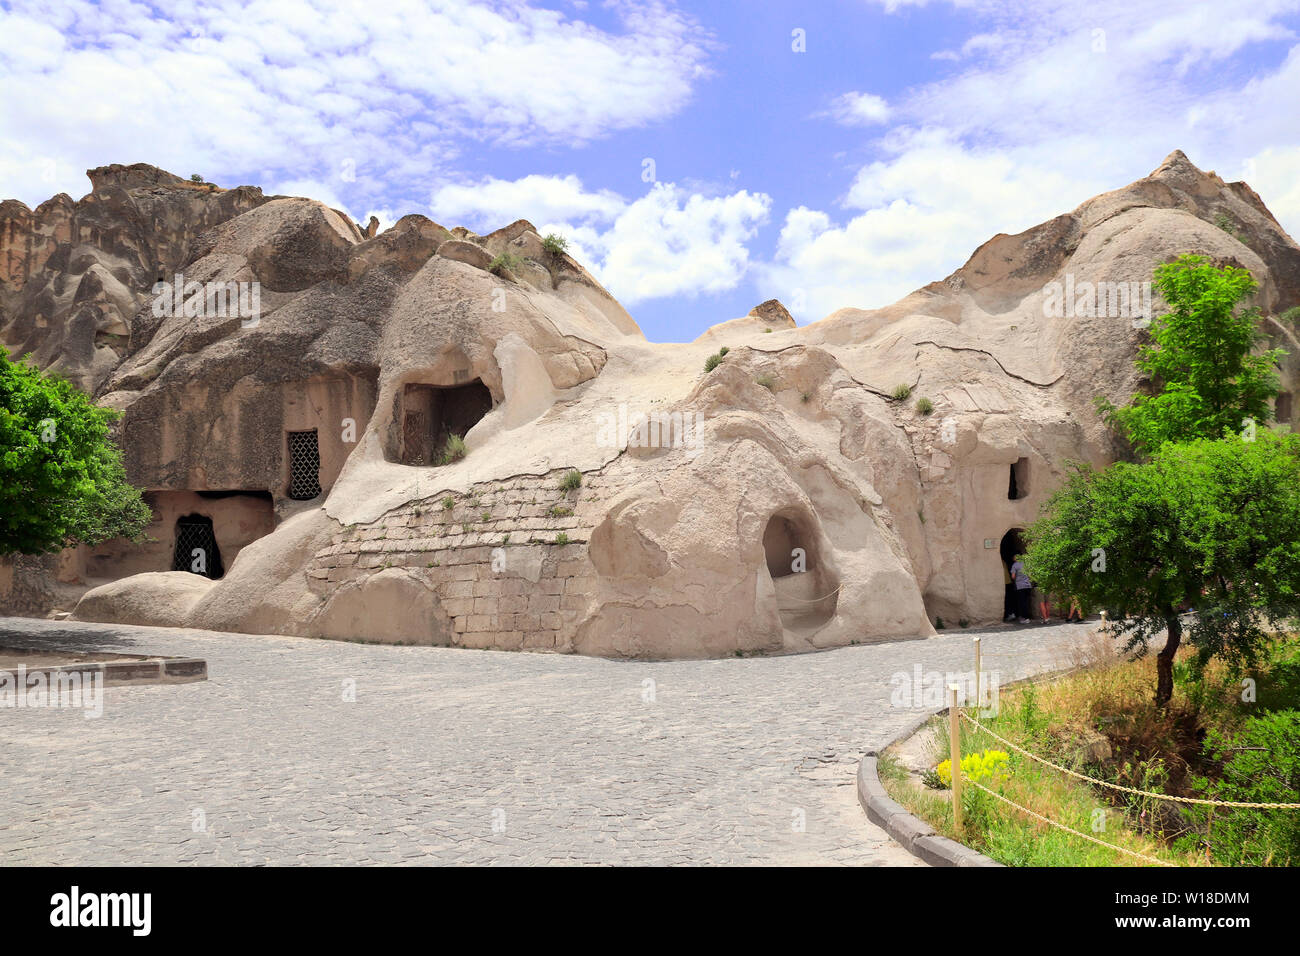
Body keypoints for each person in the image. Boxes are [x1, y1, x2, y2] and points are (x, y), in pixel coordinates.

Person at [1009, 554, 1032, 624]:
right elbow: (1030, 574)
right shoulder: (1025, 564)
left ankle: (1025, 618)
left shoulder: (1015, 565)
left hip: (1020, 586)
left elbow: (1013, 576)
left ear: (1016, 558)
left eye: (1014, 557)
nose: (1013, 558)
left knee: (1022, 603)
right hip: (1028, 585)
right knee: (1026, 602)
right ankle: (1027, 616)